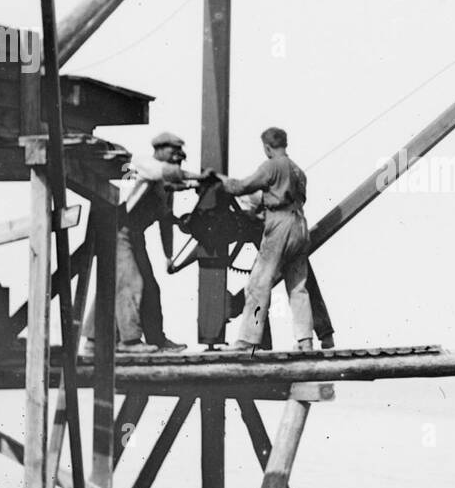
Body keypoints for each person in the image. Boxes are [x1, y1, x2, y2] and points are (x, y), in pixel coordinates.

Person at [83, 132, 205, 354]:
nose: (176, 158)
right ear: (158, 149)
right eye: (172, 153)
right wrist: (200, 179)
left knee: (146, 287)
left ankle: (97, 340)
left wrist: (169, 256)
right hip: (117, 229)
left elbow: (165, 222)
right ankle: (129, 341)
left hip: (134, 235)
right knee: (130, 283)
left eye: (179, 156)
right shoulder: (141, 163)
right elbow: (165, 173)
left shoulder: (164, 188)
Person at [215, 127, 317, 352]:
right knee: (298, 286)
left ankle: (248, 340)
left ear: (267, 147)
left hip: (279, 226)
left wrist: (219, 180)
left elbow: (241, 187)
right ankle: (305, 340)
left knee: (257, 284)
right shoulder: (299, 171)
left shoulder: (272, 165)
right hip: (300, 225)